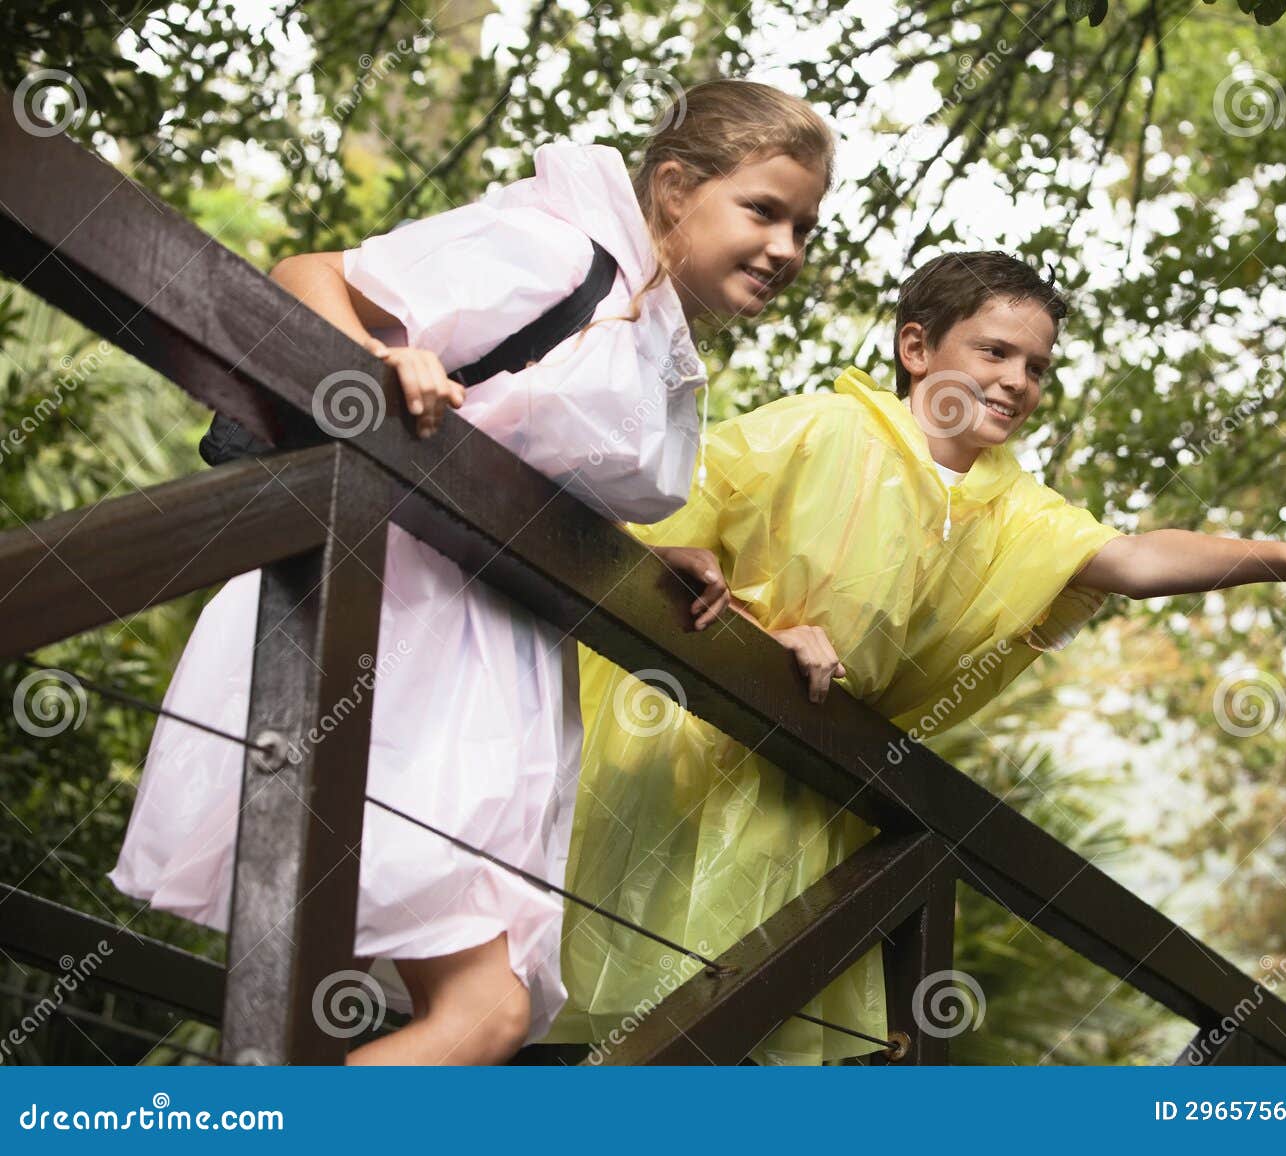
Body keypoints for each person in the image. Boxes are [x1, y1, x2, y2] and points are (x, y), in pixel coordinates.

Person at [109, 79, 834, 1065]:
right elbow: (305, 274)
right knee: (480, 1011)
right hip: (389, 625)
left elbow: (522, 471)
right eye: (764, 209)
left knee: (471, 1010)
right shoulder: (561, 252)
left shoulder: (648, 329)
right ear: (673, 187)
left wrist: (641, 561)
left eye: (804, 225)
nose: (787, 248)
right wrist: (376, 356)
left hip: (493, 674)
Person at [545, 250, 1286, 1063]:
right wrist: (753, 633)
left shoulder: (1016, 510)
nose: (1017, 381)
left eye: (1037, 367)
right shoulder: (815, 429)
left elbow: (1137, 558)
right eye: (997, 351)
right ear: (916, 346)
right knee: (619, 1023)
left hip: (811, 806)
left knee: (748, 1049)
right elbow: (653, 533)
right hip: (678, 766)